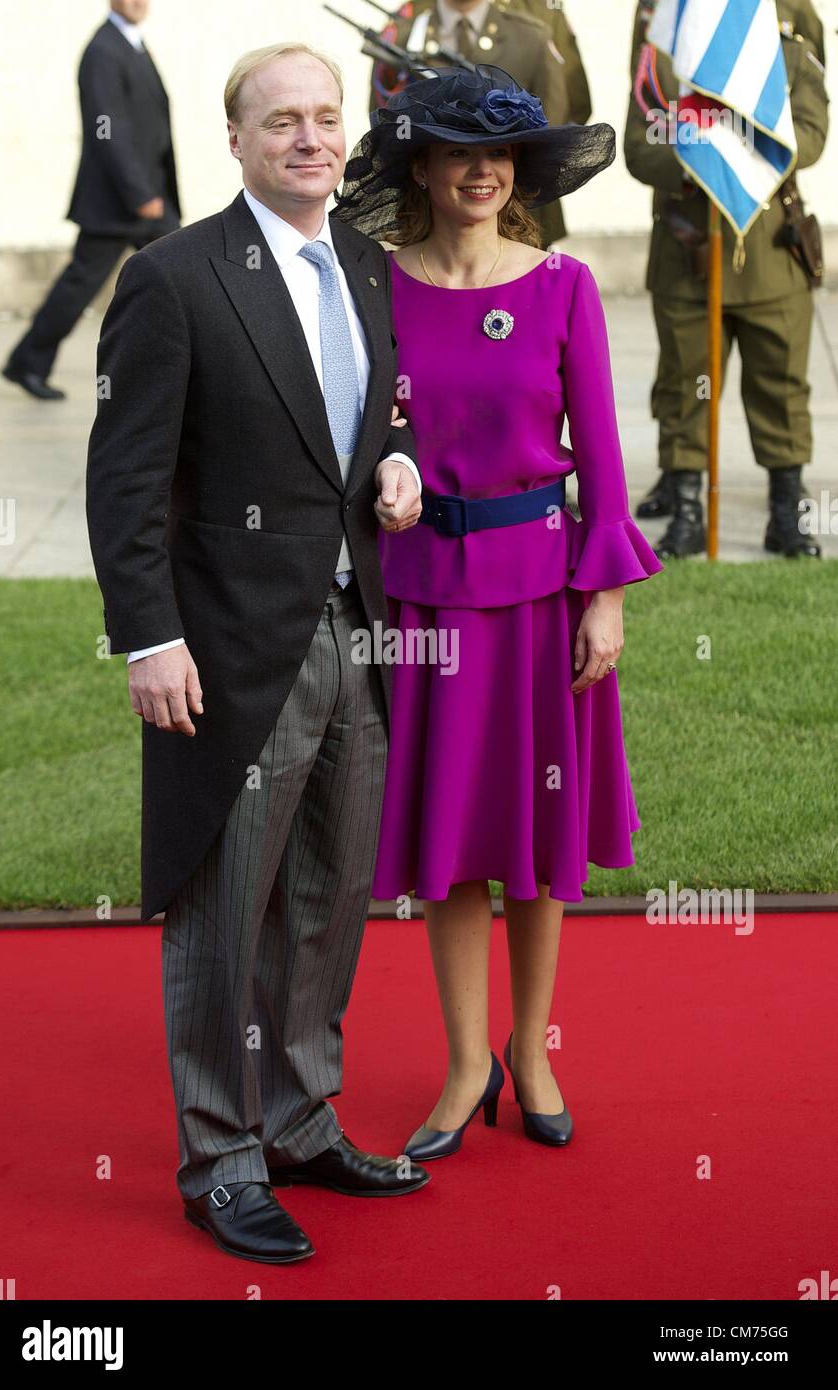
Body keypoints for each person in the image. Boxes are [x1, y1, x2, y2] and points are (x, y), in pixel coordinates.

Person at [86, 42, 429, 1266]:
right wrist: (149, 638)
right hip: (227, 650)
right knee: (227, 906)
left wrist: (396, 466)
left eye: (326, 118)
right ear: (234, 141)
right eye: (280, 119)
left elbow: (380, 417)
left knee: (328, 897)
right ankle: (221, 1157)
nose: (309, 138)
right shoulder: (173, 278)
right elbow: (123, 480)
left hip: (356, 632)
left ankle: (295, 1117)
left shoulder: (368, 268)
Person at [332, 64, 663, 1160]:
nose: (481, 170)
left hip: (539, 599)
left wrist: (604, 597)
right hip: (423, 595)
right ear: (419, 167)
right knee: (452, 841)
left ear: (514, 172)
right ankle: (463, 1063)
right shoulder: (375, 286)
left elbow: (604, 466)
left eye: (499, 153)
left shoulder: (562, 286)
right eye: (458, 150)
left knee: (534, 827)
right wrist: (385, 459)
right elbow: (365, 424)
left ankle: (531, 1052)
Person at [624, 0, 829, 558]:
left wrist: (745, 150)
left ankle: (787, 515)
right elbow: (640, 148)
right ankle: (687, 513)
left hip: (769, 251)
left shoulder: (785, 36)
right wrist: (700, 155)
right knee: (687, 386)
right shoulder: (668, 40)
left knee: (781, 387)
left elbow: (811, 130)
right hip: (689, 248)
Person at [2, 0, 181, 401]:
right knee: (86, 285)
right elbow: (106, 129)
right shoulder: (103, 49)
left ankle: (27, 361)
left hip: (145, 194)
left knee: (179, 274)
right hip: (125, 202)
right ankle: (28, 362)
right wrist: (139, 195)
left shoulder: (131, 44)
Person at [369, 0, 571, 245]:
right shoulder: (401, 37)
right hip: (426, 226)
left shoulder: (530, 37)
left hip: (521, 224)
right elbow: (388, 134)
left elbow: (551, 129)